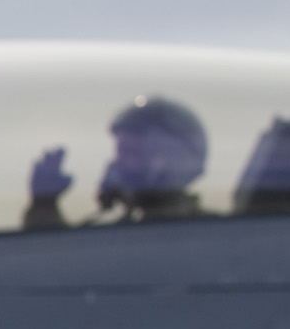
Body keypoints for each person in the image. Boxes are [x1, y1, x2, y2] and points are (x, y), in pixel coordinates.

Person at [24, 93, 208, 231]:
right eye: (120, 152)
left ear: (174, 159)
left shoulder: (209, 235)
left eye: (132, 152)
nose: (119, 164)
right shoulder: (119, 233)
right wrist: (44, 204)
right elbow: (60, 261)